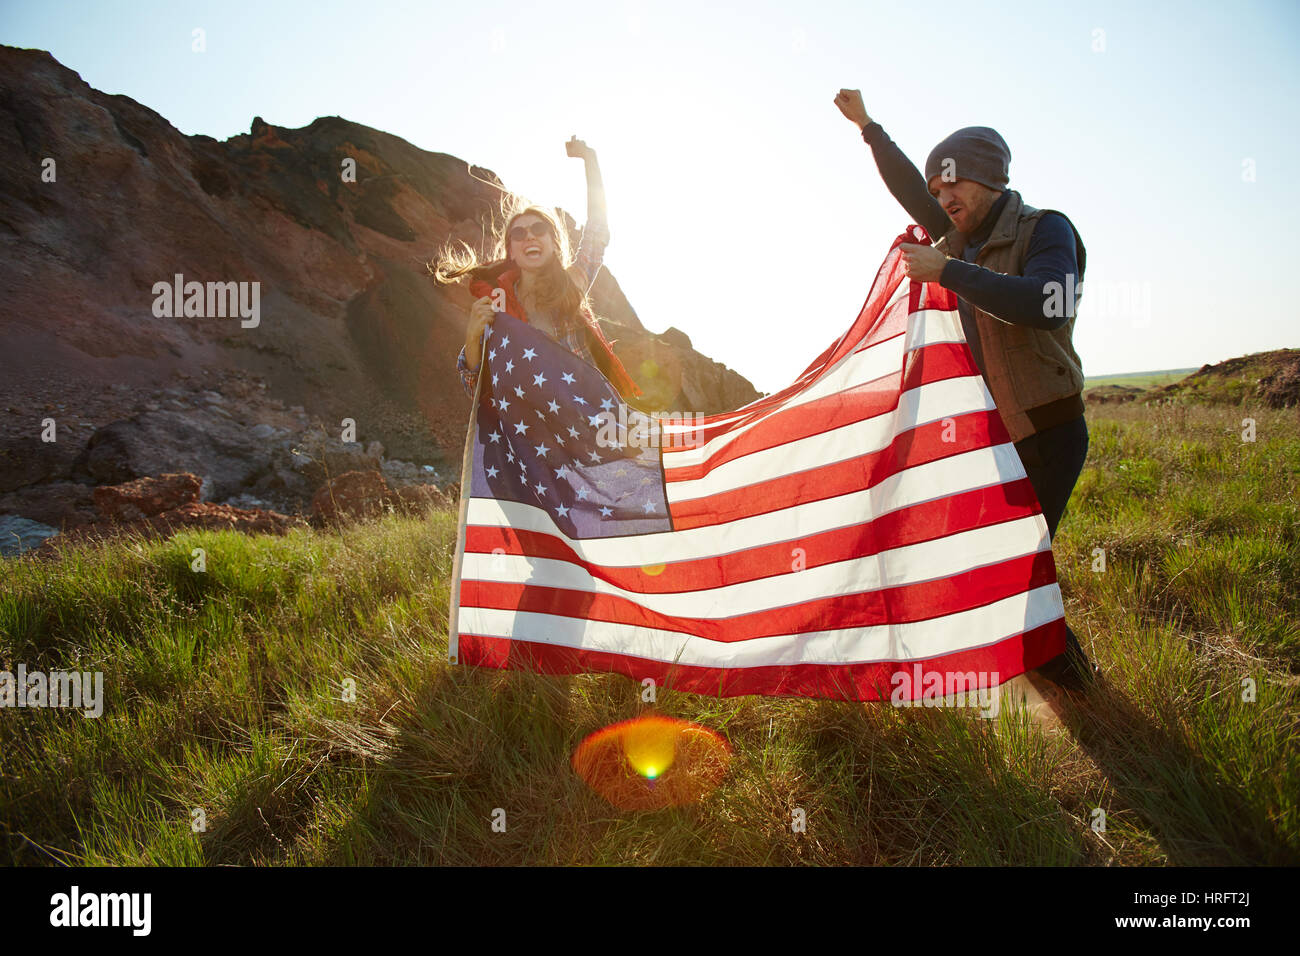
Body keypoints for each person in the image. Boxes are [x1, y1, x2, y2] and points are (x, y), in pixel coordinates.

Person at [833, 89, 1097, 706]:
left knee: (1016, 567)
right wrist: (870, 127)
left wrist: (947, 271)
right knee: (1009, 569)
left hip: (1052, 433)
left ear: (989, 180)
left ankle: (1076, 695)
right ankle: (1072, 692)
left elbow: (1044, 303)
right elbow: (908, 191)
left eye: (953, 185)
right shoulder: (959, 236)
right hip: (1000, 440)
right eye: (938, 189)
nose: (944, 198)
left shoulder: (1045, 229)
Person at [432, 136, 642, 401]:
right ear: (512, 252)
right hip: (541, 435)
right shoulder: (498, 307)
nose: (529, 236)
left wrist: (590, 159)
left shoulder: (572, 284)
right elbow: (478, 390)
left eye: (539, 229)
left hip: (595, 421)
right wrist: (473, 336)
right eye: (519, 234)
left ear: (553, 244)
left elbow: (597, 228)